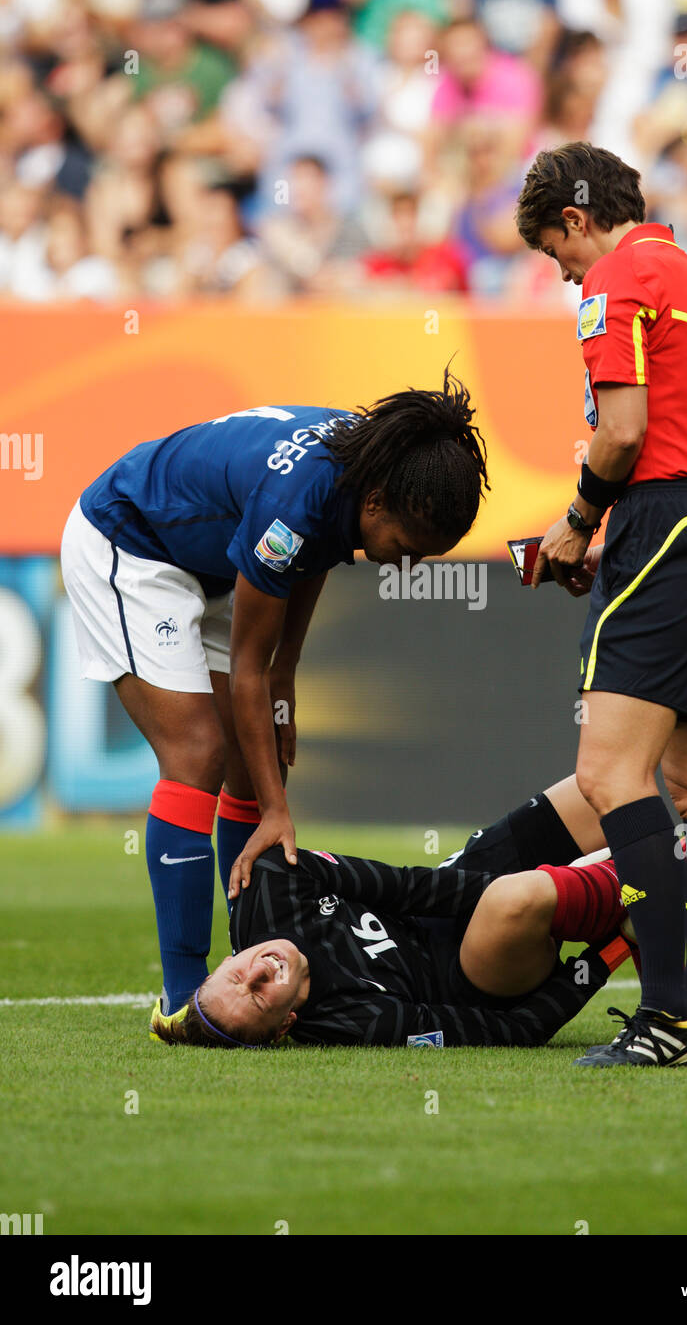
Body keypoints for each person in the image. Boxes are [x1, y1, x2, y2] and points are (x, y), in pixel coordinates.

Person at [60, 371, 489, 1018]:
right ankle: (184, 995)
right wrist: (278, 808)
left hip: (206, 566)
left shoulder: (359, 470)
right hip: (129, 545)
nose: (407, 565)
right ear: (377, 505)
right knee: (200, 753)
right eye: (406, 548)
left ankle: (249, 950)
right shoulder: (300, 498)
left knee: (244, 761)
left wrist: (288, 671)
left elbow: (313, 560)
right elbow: (248, 662)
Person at [516, 141, 687, 1069]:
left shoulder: (615, 282)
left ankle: (662, 1017)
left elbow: (620, 432)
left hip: (665, 528)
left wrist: (582, 521)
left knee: (610, 777)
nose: (563, 272)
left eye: (555, 252)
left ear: (578, 220)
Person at [150, 777, 687, 1054]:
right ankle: (665, 883)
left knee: (610, 783)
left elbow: (403, 885)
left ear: (229, 955)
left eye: (237, 974)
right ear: (287, 1024)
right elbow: (508, 1033)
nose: (259, 973)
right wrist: (606, 955)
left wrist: (483, 876)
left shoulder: (272, 884)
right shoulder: (355, 1023)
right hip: (481, 968)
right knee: (513, 900)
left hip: (451, 885)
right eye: (261, 997)